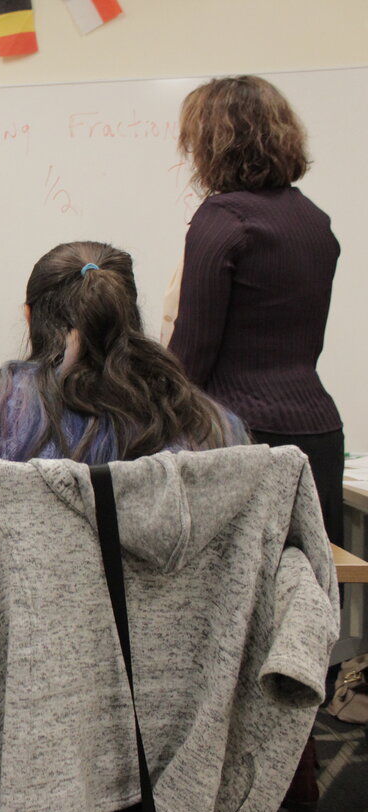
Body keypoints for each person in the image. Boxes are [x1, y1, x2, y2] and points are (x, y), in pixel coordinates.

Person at [0, 241, 248, 608]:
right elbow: (239, 564)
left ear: (29, 317)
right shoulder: (213, 425)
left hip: (25, 660)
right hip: (178, 661)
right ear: (128, 315)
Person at [168, 74, 343, 547]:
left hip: (239, 438)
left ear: (212, 144)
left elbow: (192, 356)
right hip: (320, 431)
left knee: (238, 606)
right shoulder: (313, 219)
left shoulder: (222, 218)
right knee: (309, 596)